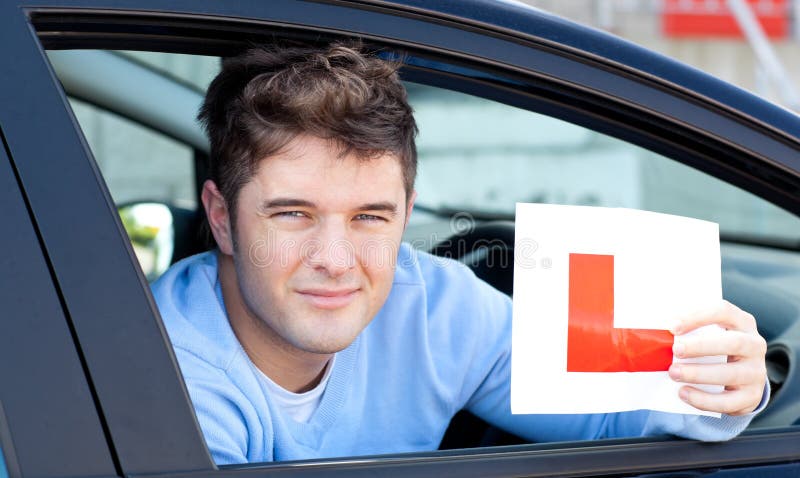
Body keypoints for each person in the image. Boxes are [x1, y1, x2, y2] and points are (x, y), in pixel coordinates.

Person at [152, 42, 769, 465]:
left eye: (370, 217)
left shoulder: (435, 307)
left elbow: (609, 424)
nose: (336, 259)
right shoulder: (165, 376)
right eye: (293, 214)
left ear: (406, 216)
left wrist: (717, 389)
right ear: (221, 218)